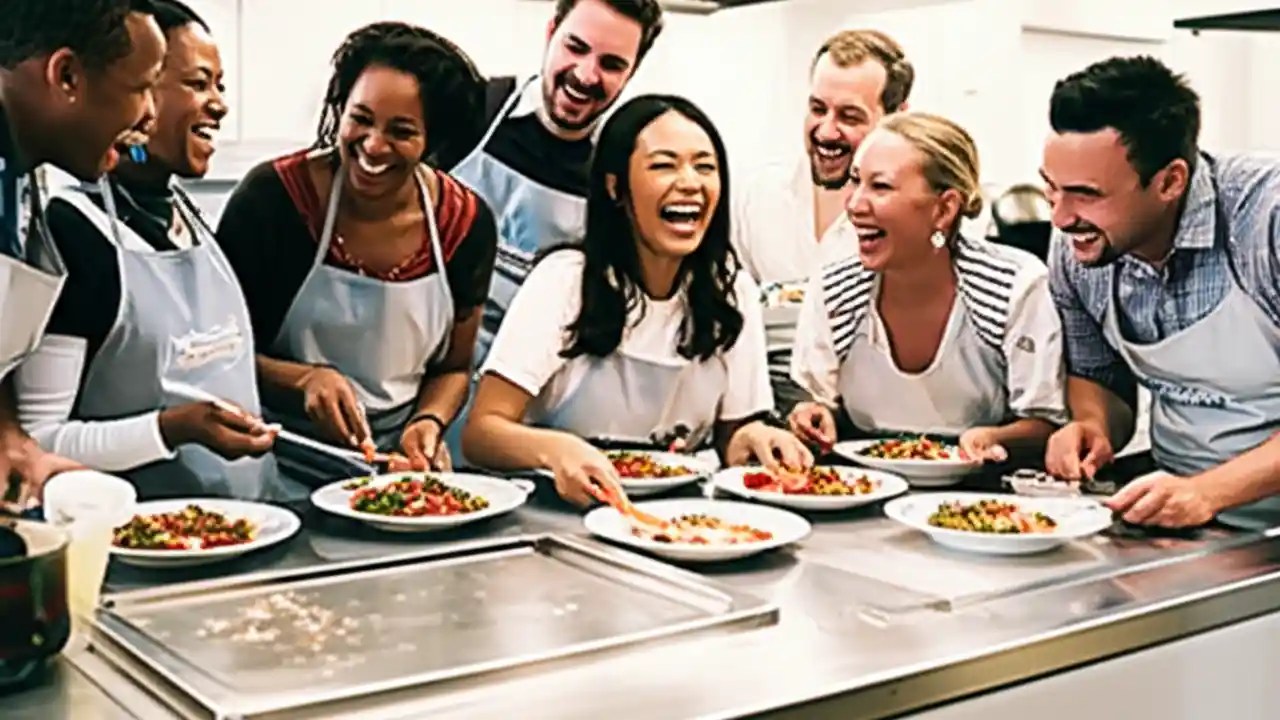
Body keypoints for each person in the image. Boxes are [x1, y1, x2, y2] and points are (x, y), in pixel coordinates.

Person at [463, 95, 812, 507]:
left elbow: (731, 440)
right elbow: (482, 433)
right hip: (563, 515)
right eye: (664, 165)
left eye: (705, 166)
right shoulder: (567, 280)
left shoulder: (732, 291)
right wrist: (556, 450)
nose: (689, 182)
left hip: (682, 518)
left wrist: (756, 437)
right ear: (615, 187)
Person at [13, 0, 289, 501]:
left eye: (220, 86)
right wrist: (174, 428)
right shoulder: (72, 230)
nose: (220, 104)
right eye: (196, 83)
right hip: (139, 543)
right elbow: (36, 437)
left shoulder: (189, 217)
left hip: (246, 524)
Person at [216, 22, 496, 479]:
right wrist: (305, 379)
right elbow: (216, 352)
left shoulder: (463, 224)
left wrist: (427, 422)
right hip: (271, 457)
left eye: (401, 131)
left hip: (396, 468)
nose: (372, 145)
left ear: (433, 142)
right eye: (360, 119)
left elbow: (453, 368)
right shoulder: (274, 201)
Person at [1040, 56, 1280, 529]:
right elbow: (1097, 372)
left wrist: (1209, 491)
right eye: (1051, 189)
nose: (1061, 217)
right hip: (1184, 515)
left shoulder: (1265, 220)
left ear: (1170, 181)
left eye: (1086, 194)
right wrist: (1093, 426)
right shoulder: (1079, 246)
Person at [788, 112, 1067, 465]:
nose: (855, 205)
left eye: (880, 187)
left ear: (944, 209)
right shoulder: (834, 289)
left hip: (981, 497)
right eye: (855, 181)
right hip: (862, 486)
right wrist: (815, 418)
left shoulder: (1014, 285)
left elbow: (1046, 423)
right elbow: (822, 405)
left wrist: (992, 439)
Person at [0, 0, 164, 509]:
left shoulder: (19, 176)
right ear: (67, 75)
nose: (149, 114)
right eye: (140, 87)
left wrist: (10, 441)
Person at [438, 0, 665, 364]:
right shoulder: (473, 109)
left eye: (611, 64)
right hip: (425, 370)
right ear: (550, 34)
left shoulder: (619, 172)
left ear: (632, 72)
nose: (587, 75)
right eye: (575, 48)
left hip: (522, 390)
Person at [730, 29, 913, 415]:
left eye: (849, 116)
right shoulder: (757, 194)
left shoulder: (912, 216)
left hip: (867, 415)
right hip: (763, 405)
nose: (827, 131)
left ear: (896, 118)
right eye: (817, 109)